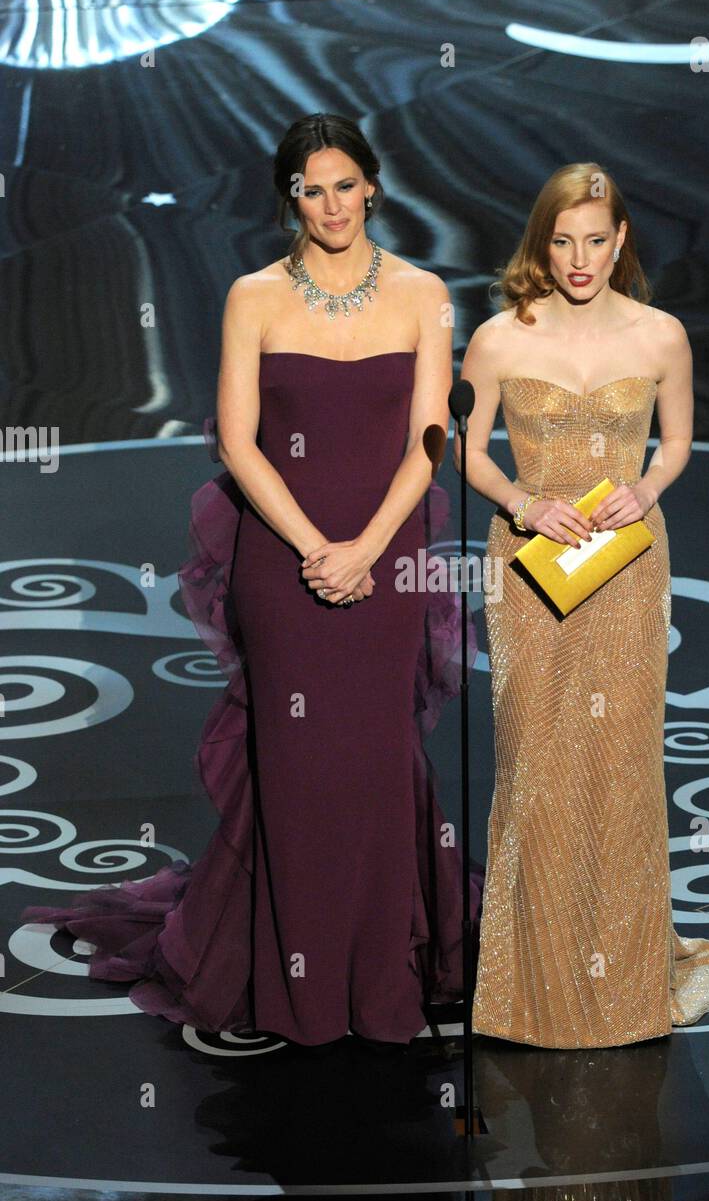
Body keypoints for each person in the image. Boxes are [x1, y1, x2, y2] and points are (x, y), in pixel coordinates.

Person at [23, 113, 480, 1054]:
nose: (332, 206)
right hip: (282, 563)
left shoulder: (423, 294)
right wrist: (319, 548)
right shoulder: (254, 297)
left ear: (372, 186)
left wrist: (366, 550)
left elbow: (430, 441)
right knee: (299, 766)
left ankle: (379, 977)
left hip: (387, 559)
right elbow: (237, 441)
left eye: (346, 185)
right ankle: (294, 981)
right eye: (312, 190)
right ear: (289, 199)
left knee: (377, 762)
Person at [457, 162, 709, 1049]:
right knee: (533, 759)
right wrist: (523, 502)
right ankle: (529, 985)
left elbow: (677, 441)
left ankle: (622, 980)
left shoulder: (660, 335)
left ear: (620, 243)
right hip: (531, 565)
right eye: (562, 241)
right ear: (542, 245)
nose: (578, 259)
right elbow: (466, 451)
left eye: (595, 241)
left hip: (626, 567)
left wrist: (645, 489)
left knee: (619, 764)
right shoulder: (500, 337)